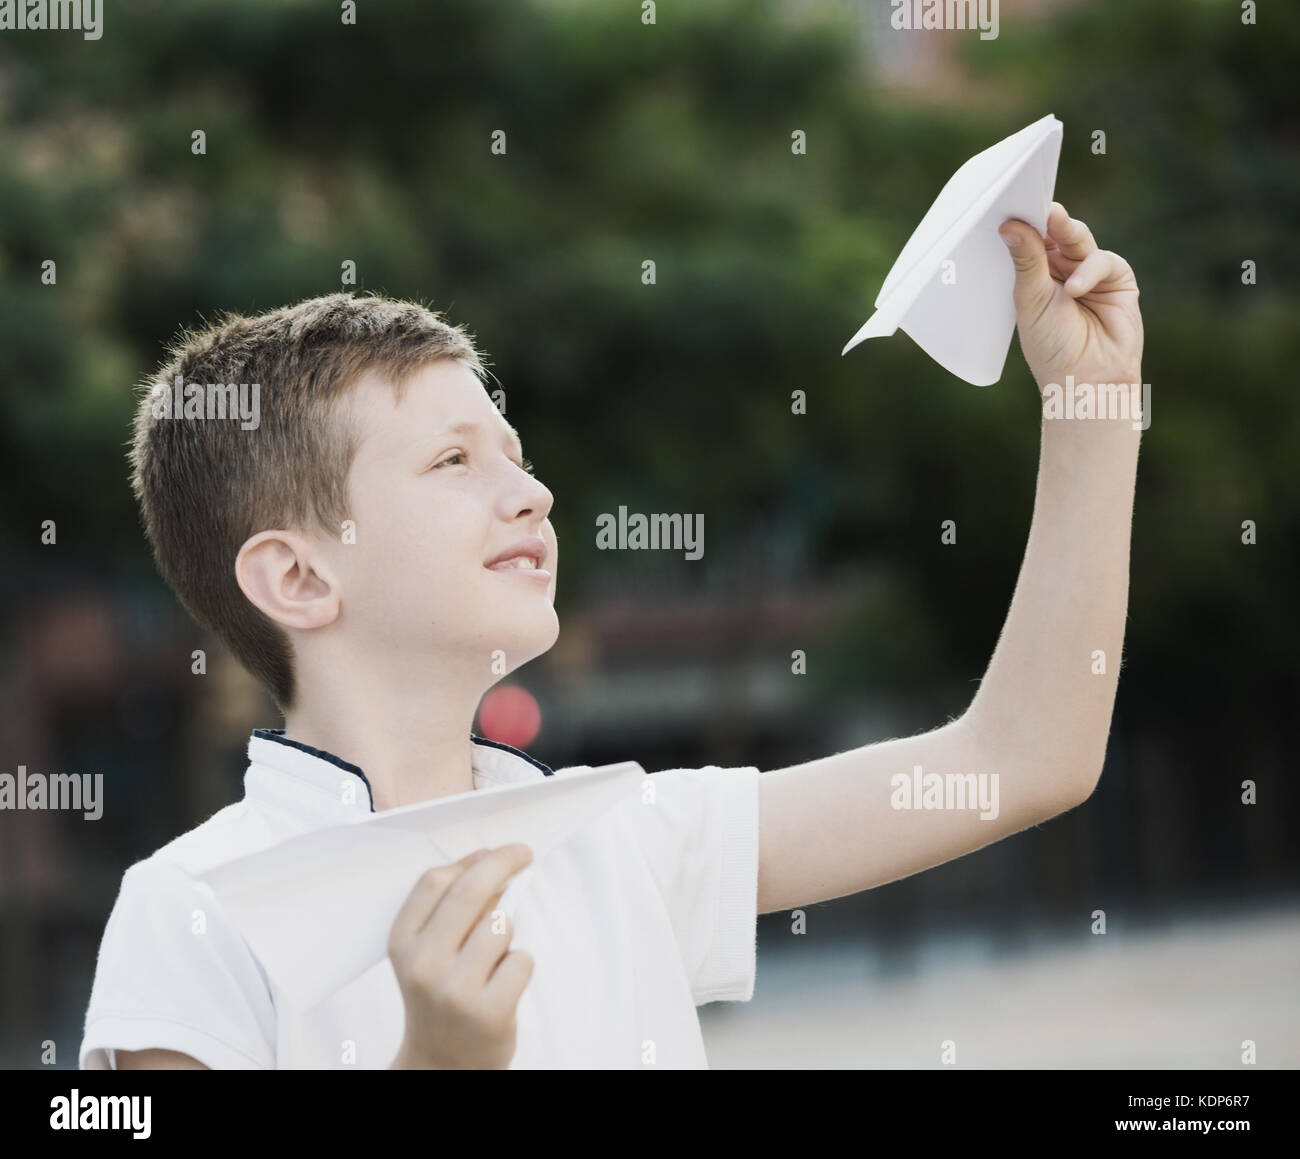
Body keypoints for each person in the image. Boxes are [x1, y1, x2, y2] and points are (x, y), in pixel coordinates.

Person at [80, 202, 1143, 1069]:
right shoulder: (192, 910)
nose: (533, 492)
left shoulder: (616, 834)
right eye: (455, 461)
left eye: (517, 452)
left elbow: (1021, 758)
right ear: (299, 576)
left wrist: (1092, 401)